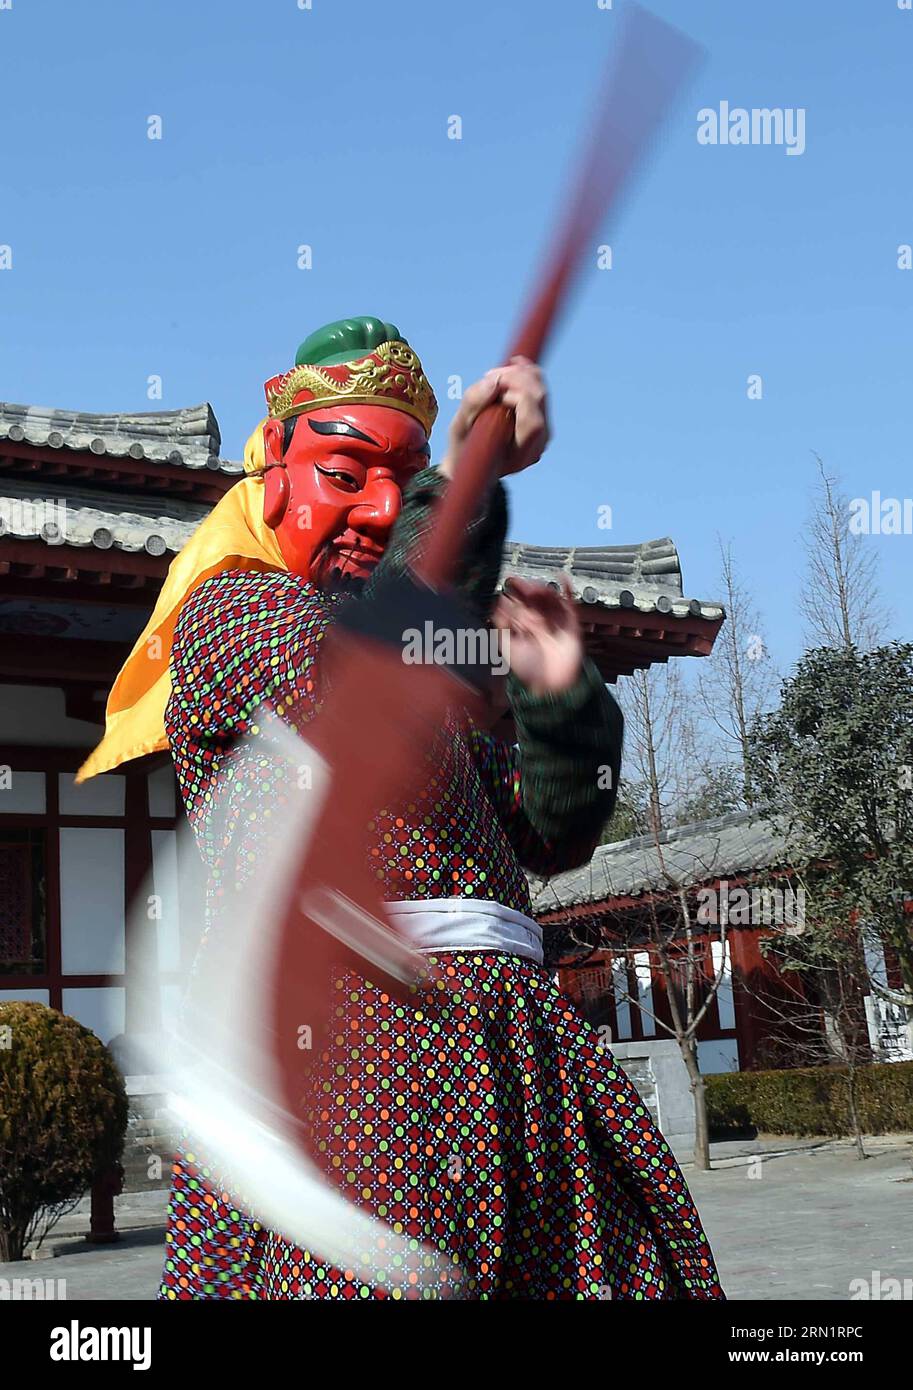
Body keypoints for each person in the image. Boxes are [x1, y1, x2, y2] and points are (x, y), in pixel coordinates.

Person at [80, 316, 724, 1300]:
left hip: (529, 1057)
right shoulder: (233, 611)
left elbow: (552, 835)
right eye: (347, 473)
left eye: (408, 477)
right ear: (273, 468)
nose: (382, 510)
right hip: (360, 1049)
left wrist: (559, 699)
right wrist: (467, 482)